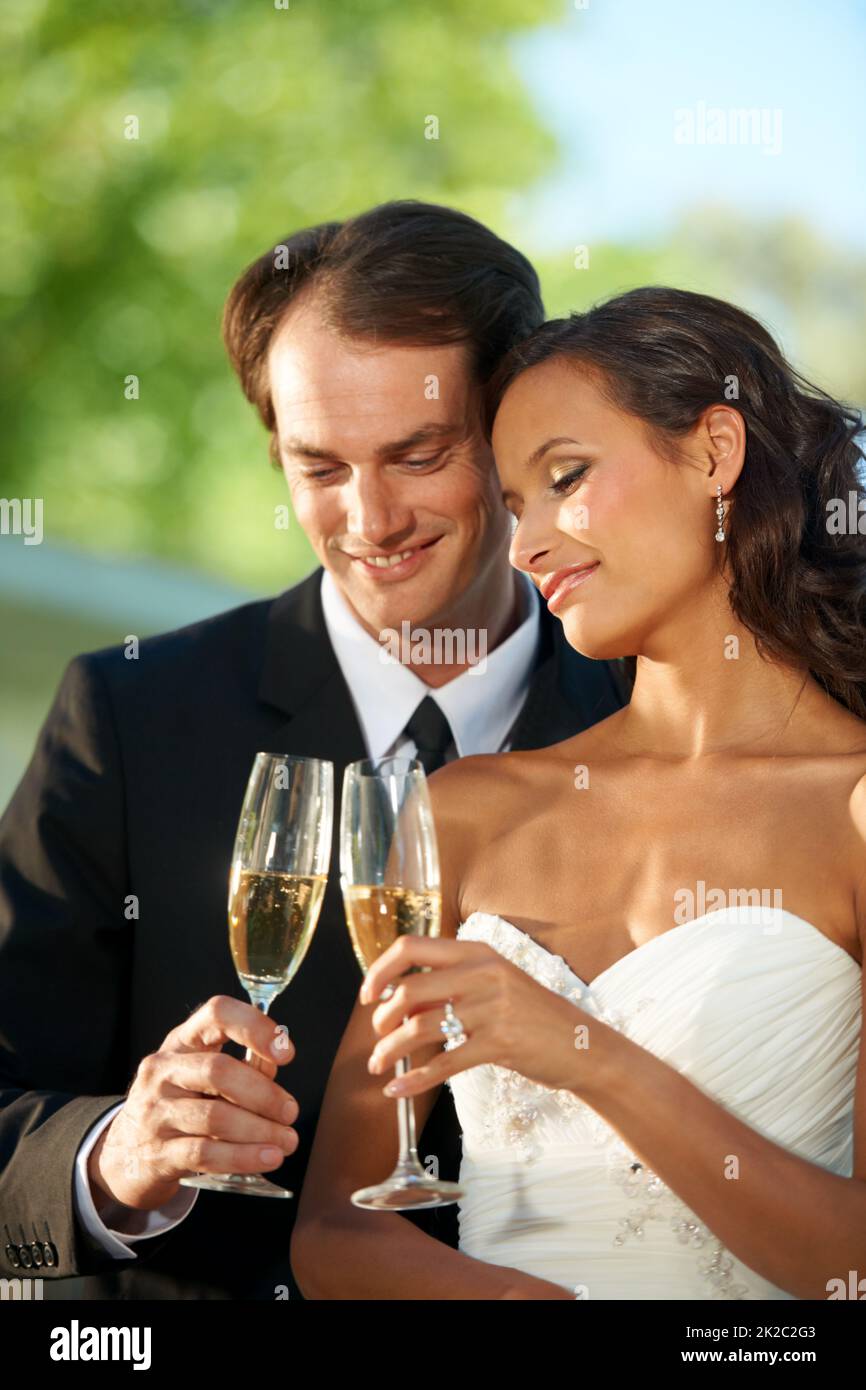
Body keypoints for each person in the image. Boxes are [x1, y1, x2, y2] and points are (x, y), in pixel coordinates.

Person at [0, 201, 627, 1300]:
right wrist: (121, 1156)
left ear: (512, 430)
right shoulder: (130, 714)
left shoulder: (659, 715)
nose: (370, 518)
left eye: (417, 454)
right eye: (319, 466)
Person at [293, 286, 866, 1300]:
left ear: (712, 451)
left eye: (565, 478)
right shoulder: (462, 811)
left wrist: (588, 1056)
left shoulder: (850, 809)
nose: (525, 547)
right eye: (514, 508)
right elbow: (335, 1229)